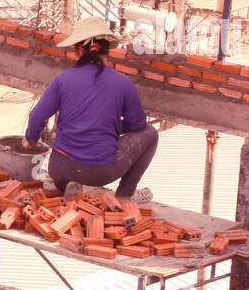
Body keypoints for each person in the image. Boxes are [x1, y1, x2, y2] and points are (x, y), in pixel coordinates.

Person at [23, 15, 158, 204]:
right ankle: (124, 195)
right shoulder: (123, 83)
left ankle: (69, 185)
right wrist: (112, 126)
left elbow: (37, 115)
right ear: (106, 48)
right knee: (151, 133)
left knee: (66, 153)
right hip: (99, 173)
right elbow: (138, 125)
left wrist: (30, 140)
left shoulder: (63, 79)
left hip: (59, 169)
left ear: (80, 49)